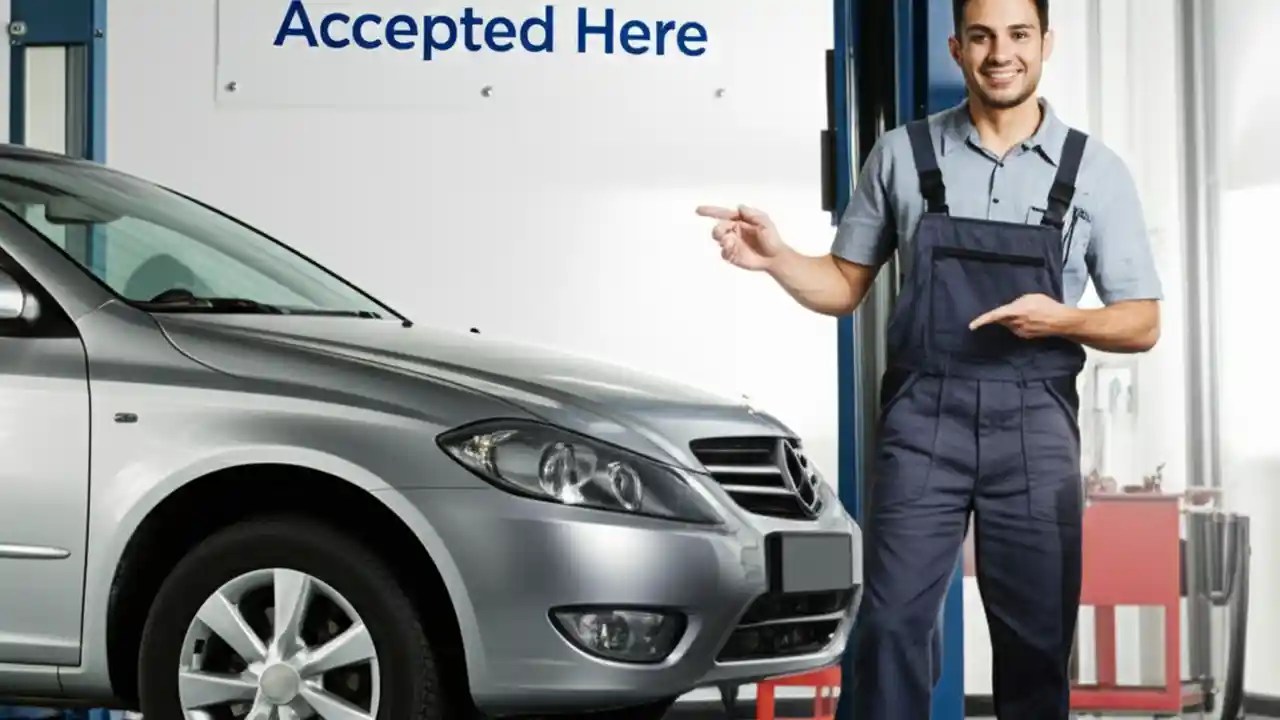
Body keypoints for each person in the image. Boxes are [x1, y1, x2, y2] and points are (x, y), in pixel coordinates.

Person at [695, 0, 1162, 717]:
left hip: (1035, 424)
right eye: (981, 36)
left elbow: (1142, 321)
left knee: (1036, 641)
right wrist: (779, 259)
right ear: (956, 47)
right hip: (924, 423)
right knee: (888, 627)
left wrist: (1062, 318)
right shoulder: (903, 156)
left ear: (1046, 44)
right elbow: (844, 285)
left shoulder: (1095, 171)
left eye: (1017, 35)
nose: (999, 52)